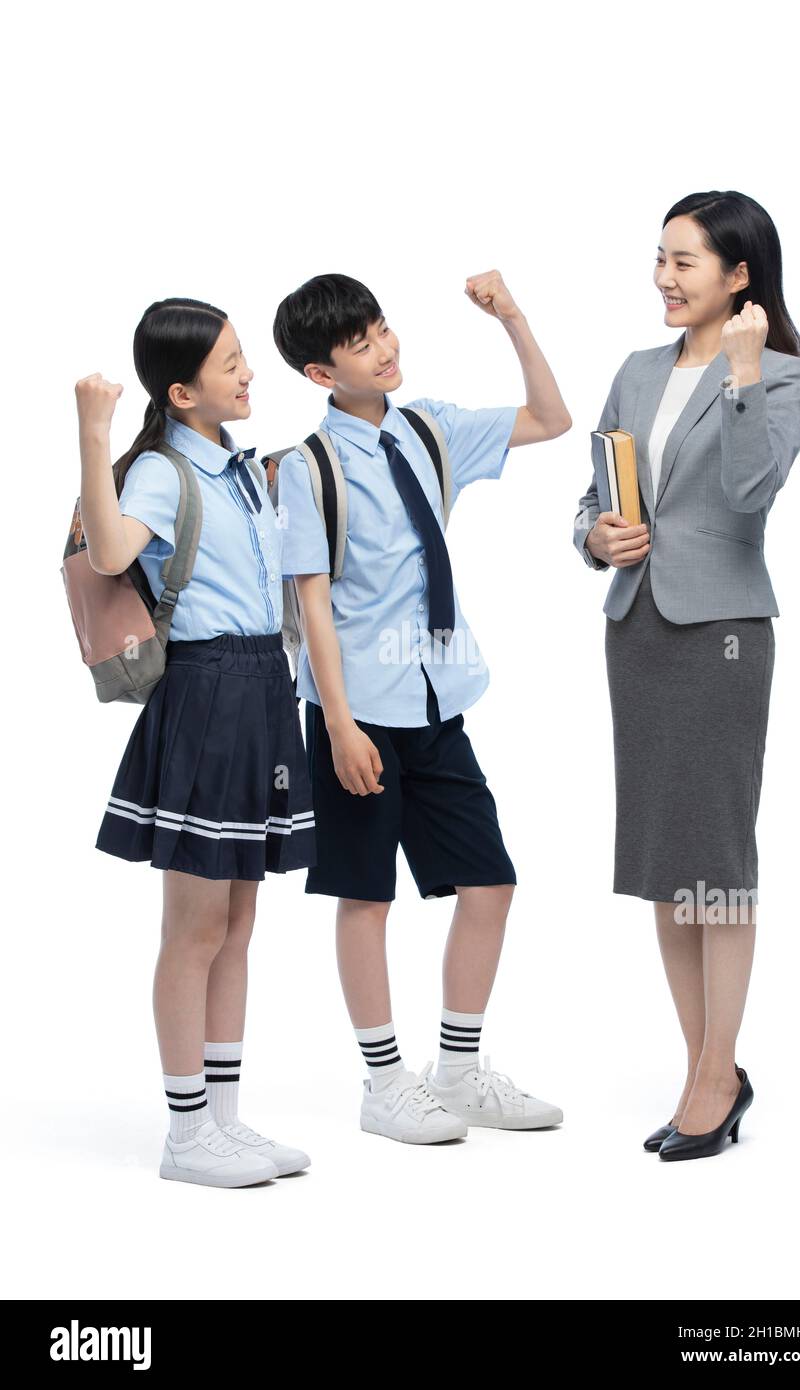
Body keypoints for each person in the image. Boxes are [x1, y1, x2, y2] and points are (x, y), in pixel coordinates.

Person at [275, 270, 569, 1142]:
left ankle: (462, 1068)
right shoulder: (309, 467)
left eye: (383, 328)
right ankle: (382, 1083)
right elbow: (313, 602)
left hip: (438, 702)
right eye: (360, 344)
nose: (385, 347)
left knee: (490, 883)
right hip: (357, 709)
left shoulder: (428, 428)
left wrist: (513, 318)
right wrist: (335, 725)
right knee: (366, 897)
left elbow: (550, 419)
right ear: (323, 375)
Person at [573, 191, 800, 1161]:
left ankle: (716, 1072)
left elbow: (751, 490)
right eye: (659, 258)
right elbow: (595, 490)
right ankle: (703, 1066)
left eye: (684, 262)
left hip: (720, 633)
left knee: (714, 860)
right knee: (666, 863)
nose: (664, 278)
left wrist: (745, 373)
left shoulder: (783, 376)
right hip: (635, 629)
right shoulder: (635, 371)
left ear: (738, 274)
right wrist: (593, 535)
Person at [78, 297, 315, 1186]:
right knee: (196, 924)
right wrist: (91, 427)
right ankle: (186, 1135)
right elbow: (108, 555)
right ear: (181, 392)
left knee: (240, 917)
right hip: (206, 691)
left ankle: (223, 1118)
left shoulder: (245, 469)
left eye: (244, 355)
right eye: (229, 362)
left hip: (263, 689)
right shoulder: (158, 473)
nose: (249, 371)